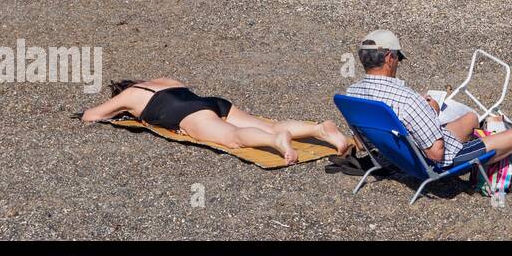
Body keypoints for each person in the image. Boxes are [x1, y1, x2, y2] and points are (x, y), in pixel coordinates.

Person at [345, 30, 512, 195]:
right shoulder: (408, 100)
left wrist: (424, 117)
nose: (398, 62)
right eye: (398, 57)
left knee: (470, 118)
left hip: (402, 155)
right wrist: (428, 112)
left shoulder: (352, 93)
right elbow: (436, 152)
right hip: (437, 162)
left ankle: (497, 152)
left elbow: (361, 139)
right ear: (389, 58)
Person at [81, 77, 352, 165]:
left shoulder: (129, 95)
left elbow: (91, 116)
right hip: (212, 102)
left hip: (187, 115)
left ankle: (275, 142)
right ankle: (320, 129)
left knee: (234, 137)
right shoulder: (165, 79)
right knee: (266, 123)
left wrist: (121, 110)